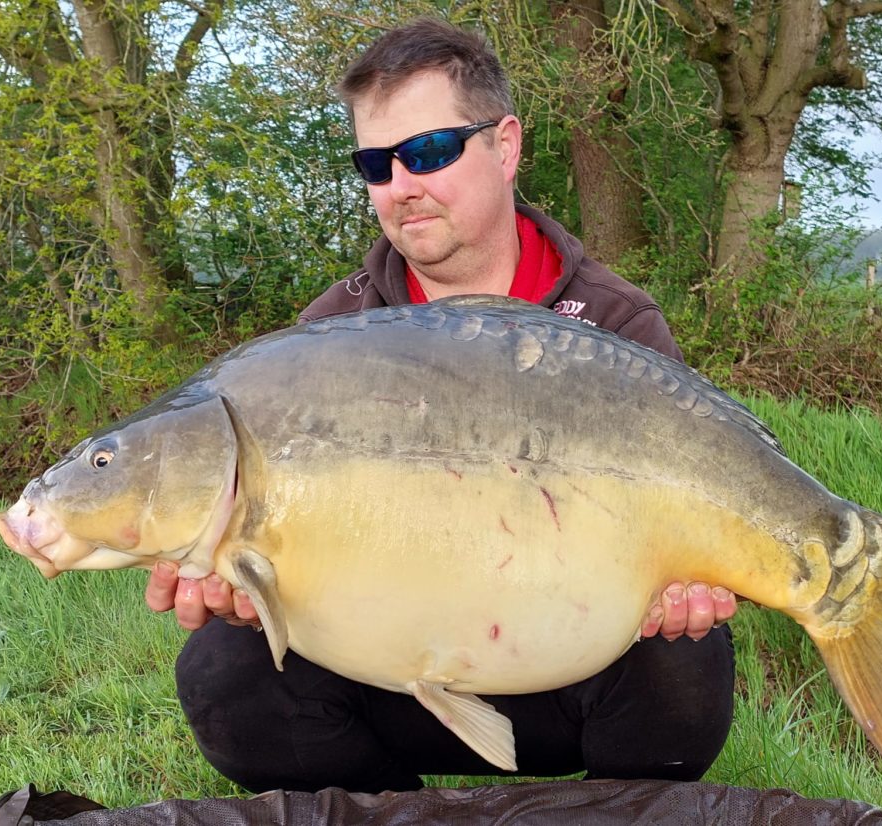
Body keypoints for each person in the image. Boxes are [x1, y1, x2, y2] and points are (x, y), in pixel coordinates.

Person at [145, 17, 738, 795]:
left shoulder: (614, 324)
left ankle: (602, 811)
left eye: (427, 152)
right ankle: (391, 813)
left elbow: (691, 509)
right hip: (380, 673)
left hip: (565, 664)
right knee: (225, 669)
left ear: (506, 145)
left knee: (687, 657)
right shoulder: (333, 334)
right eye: (375, 162)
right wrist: (247, 590)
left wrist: (686, 587)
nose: (401, 185)